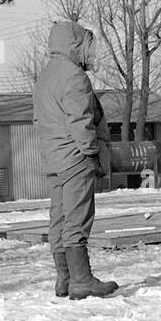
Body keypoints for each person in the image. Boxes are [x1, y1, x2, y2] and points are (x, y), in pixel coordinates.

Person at [33, 21, 118, 299]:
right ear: (75, 44)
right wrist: (91, 153)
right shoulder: (73, 76)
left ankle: (64, 278)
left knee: (58, 218)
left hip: (54, 159)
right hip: (75, 157)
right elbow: (80, 121)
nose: (91, 53)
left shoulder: (45, 76)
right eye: (87, 46)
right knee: (77, 218)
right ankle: (81, 280)